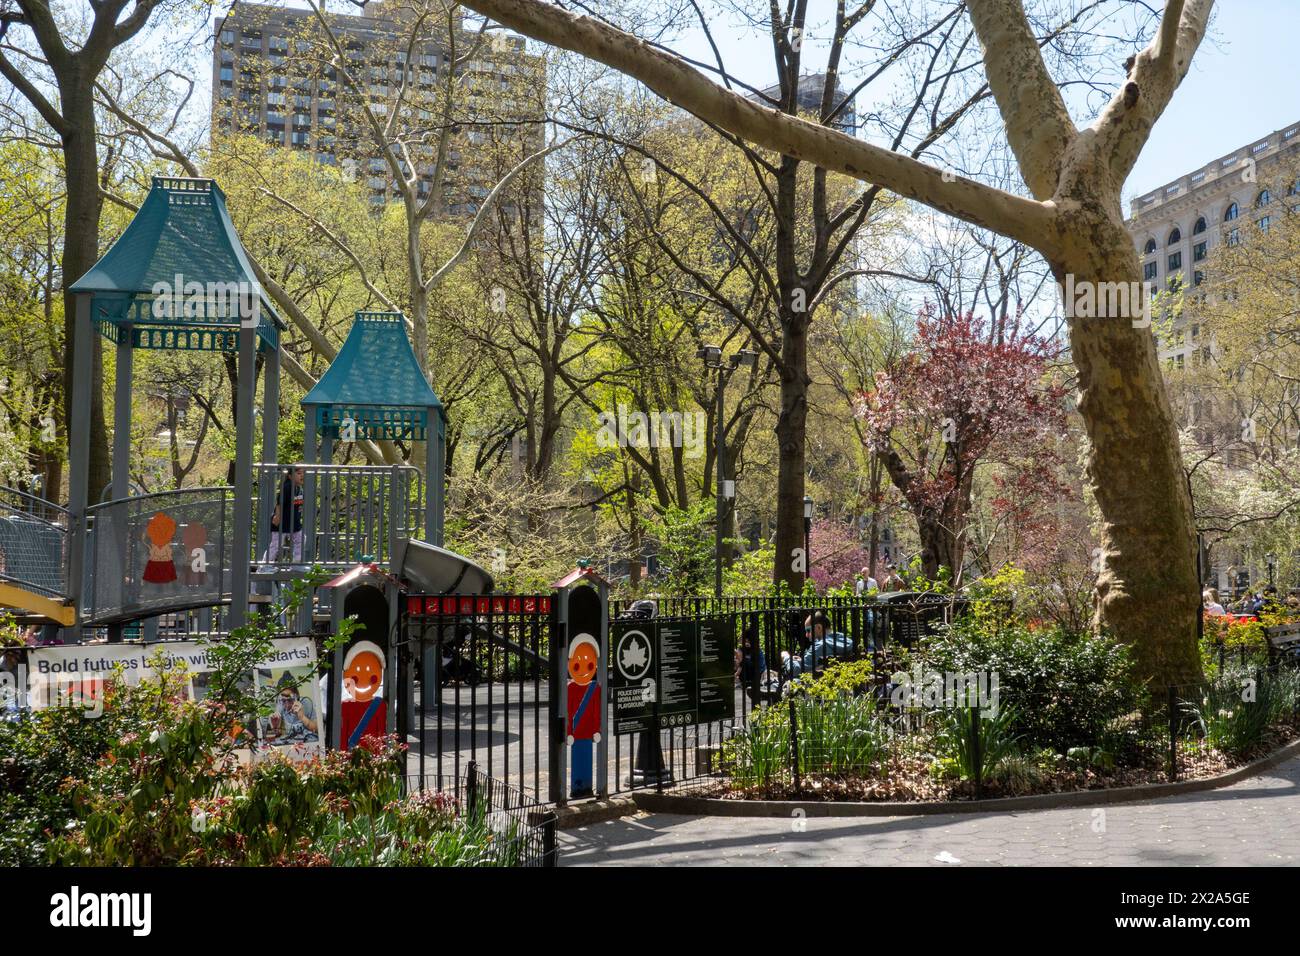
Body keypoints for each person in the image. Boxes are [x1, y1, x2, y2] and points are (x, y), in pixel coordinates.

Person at [781, 611, 854, 679]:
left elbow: (795, 670)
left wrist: (786, 657)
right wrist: (802, 660)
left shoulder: (820, 646)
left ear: (819, 627)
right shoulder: (845, 640)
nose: (806, 635)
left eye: (808, 630)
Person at [266, 672, 318, 743]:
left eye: (290, 700)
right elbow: (274, 736)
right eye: (284, 700)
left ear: (296, 695)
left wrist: (303, 718)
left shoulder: (306, 702)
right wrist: (274, 727)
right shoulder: (280, 704)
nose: (287, 705)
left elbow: (317, 729)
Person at [271, 465, 306, 563]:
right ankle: (265, 565)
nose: (302, 476)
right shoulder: (288, 486)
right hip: (283, 522)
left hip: (294, 522)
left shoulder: (299, 488)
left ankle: (296, 563)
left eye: (303, 473)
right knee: (276, 545)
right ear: (290, 476)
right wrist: (277, 516)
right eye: (299, 473)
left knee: (301, 539)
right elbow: (279, 502)